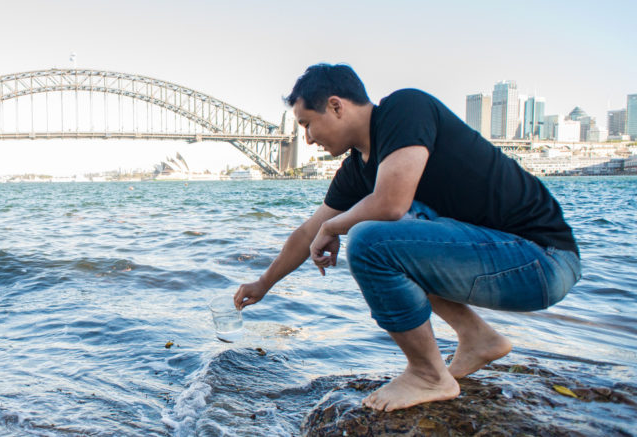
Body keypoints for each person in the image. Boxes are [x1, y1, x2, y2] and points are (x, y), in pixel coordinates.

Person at [233, 64, 580, 412]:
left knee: (370, 240)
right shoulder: (356, 170)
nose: (307, 138)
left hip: (543, 259)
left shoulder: (404, 108)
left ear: (336, 106)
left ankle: (428, 375)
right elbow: (309, 231)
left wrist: (333, 227)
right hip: (515, 261)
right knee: (393, 235)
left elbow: (390, 203)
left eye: (307, 123)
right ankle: (477, 338)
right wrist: (263, 283)